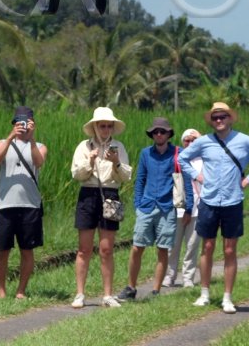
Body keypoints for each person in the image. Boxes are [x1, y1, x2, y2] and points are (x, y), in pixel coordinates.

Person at [178, 101, 249, 314]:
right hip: (209, 200)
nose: (219, 120)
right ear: (211, 121)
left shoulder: (244, 141)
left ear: (230, 118)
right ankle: (204, 293)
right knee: (207, 246)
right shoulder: (204, 142)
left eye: (223, 116)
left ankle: (227, 297)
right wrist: (197, 176)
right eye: (215, 118)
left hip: (233, 200)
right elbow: (183, 158)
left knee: (230, 249)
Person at [117, 117, 194, 301]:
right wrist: (138, 204)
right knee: (137, 247)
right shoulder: (146, 154)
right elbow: (140, 180)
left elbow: (187, 182)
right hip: (147, 206)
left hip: (168, 208)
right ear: (152, 134)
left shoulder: (178, 153)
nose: (159, 134)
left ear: (169, 134)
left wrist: (188, 207)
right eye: (156, 132)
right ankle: (131, 287)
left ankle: (156, 290)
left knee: (162, 248)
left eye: (162, 131)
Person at [69, 105, 133, 308]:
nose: (105, 130)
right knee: (84, 249)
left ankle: (107, 294)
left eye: (108, 126)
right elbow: (76, 174)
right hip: (88, 194)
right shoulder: (84, 147)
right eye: (102, 126)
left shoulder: (119, 147)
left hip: (110, 194)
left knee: (106, 249)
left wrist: (115, 163)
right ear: (95, 127)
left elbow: (126, 176)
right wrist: (90, 160)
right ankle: (80, 293)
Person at [0, 106, 48, 299]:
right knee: (2, 250)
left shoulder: (39, 146)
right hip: (5, 204)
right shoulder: (2, 143)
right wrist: (10, 137)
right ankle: (1, 290)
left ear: (33, 124)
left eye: (26, 123)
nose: (22, 126)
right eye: (19, 123)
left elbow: (39, 162)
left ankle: (21, 291)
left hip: (30, 205)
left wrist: (31, 138)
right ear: (14, 123)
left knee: (27, 249)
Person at [166, 127, 203, 288]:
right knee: (172, 245)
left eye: (193, 140)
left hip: (198, 208)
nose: (190, 143)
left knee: (192, 245)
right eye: (187, 140)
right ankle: (170, 275)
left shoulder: (205, 159)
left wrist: (201, 138)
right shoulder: (177, 158)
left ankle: (188, 277)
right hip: (177, 207)